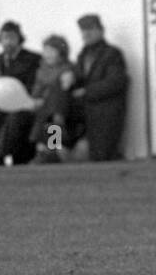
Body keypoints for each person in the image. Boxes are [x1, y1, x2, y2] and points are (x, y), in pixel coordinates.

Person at [68, 14, 129, 162]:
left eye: (90, 29)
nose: (86, 34)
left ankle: (54, 148)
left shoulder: (112, 54)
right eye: (83, 30)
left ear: (101, 31)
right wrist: (70, 79)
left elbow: (115, 82)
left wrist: (86, 92)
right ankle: (54, 147)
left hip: (102, 109)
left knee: (98, 154)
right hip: (84, 109)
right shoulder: (83, 55)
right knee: (54, 114)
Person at [0, 21, 42, 165]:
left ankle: (51, 153)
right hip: (4, 108)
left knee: (53, 124)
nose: (8, 42)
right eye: (4, 38)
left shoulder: (34, 59)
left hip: (31, 109)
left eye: (11, 37)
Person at [29, 35, 77, 163]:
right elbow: (36, 92)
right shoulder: (41, 71)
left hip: (63, 107)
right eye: (46, 50)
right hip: (43, 107)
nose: (47, 54)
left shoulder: (68, 68)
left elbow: (66, 86)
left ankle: (52, 148)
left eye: (51, 50)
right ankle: (45, 150)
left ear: (61, 53)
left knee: (54, 115)